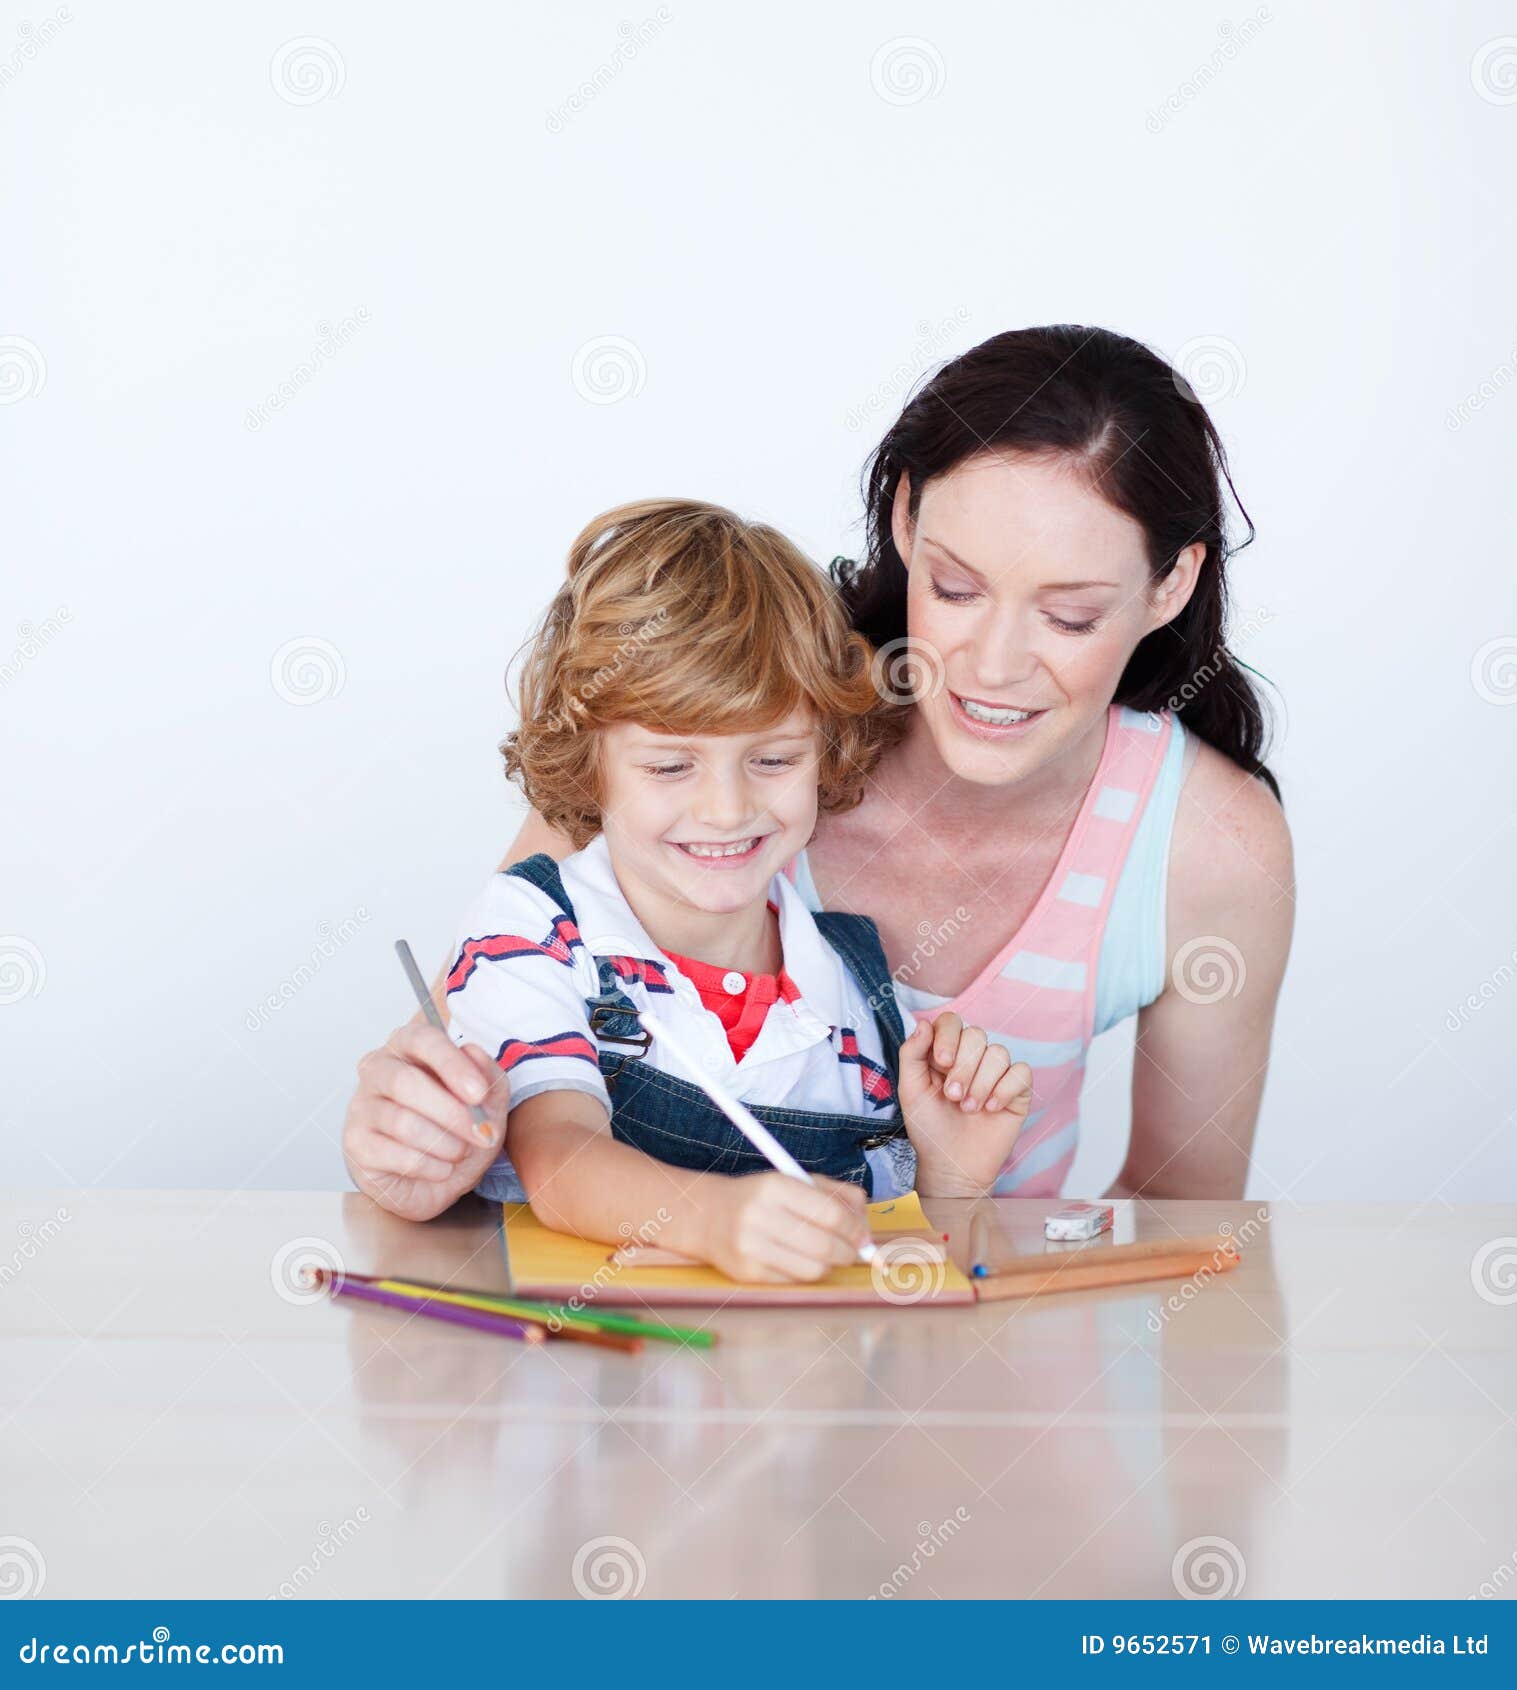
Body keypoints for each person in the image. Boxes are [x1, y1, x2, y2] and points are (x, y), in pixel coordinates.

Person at [343, 326, 1294, 1215]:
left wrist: (987, 1283)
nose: (992, 665)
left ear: (1170, 584)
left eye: (1070, 616)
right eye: (955, 588)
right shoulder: (732, 710)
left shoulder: (1210, 847)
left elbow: (1186, 1231)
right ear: (904, 517)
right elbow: (472, 1079)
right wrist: (415, 1136)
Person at [389, 498, 1031, 1279]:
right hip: (586, 1376)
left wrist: (951, 1183)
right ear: (589, 764)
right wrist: (715, 1221)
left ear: (825, 751)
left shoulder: (856, 996)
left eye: (772, 760)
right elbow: (557, 1154)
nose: (727, 809)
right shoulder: (535, 928)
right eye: (669, 766)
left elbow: (886, 1263)